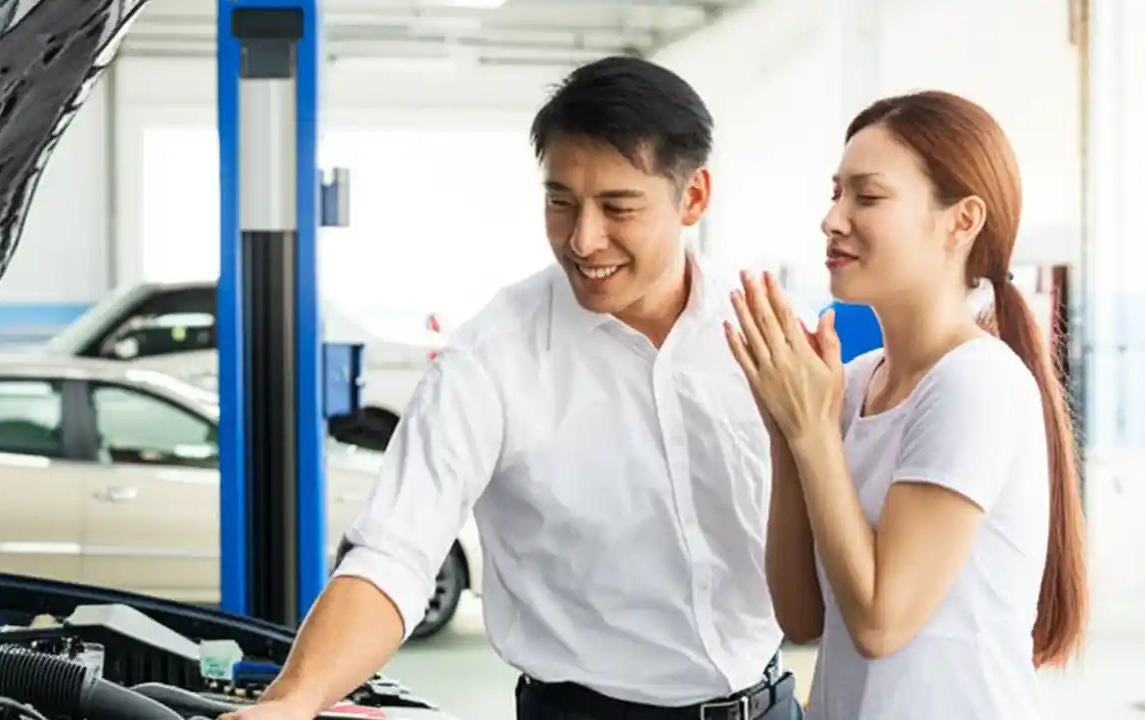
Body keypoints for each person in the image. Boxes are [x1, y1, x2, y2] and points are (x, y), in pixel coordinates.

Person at [221, 56, 802, 720]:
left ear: (693, 196)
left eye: (618, 207)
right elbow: (394, 552)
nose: (583, 239)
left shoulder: (768, 333)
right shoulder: (491, 358)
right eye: (561, 202)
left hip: (769, 705)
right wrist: (296, 699)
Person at [724, 90, 1089, 719]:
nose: (832, 219)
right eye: (835, 193)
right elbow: (801, 615)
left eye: (867, 197)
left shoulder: (976, 383)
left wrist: (812, 432)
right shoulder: (855, 381)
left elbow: (880, 624)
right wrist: (787, 429)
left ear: (961, 221)